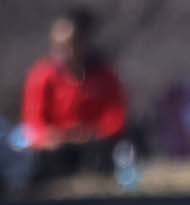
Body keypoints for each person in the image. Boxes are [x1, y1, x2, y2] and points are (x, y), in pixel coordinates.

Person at [18, 7, 129, 185]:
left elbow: (116, 116)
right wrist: (52, 137)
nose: (63, 52)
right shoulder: (42, 75)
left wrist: (93, 133)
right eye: (58, 46)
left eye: (70, 44)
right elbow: (33, 122)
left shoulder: (105, 75)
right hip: (55, 149)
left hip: (94, 146)